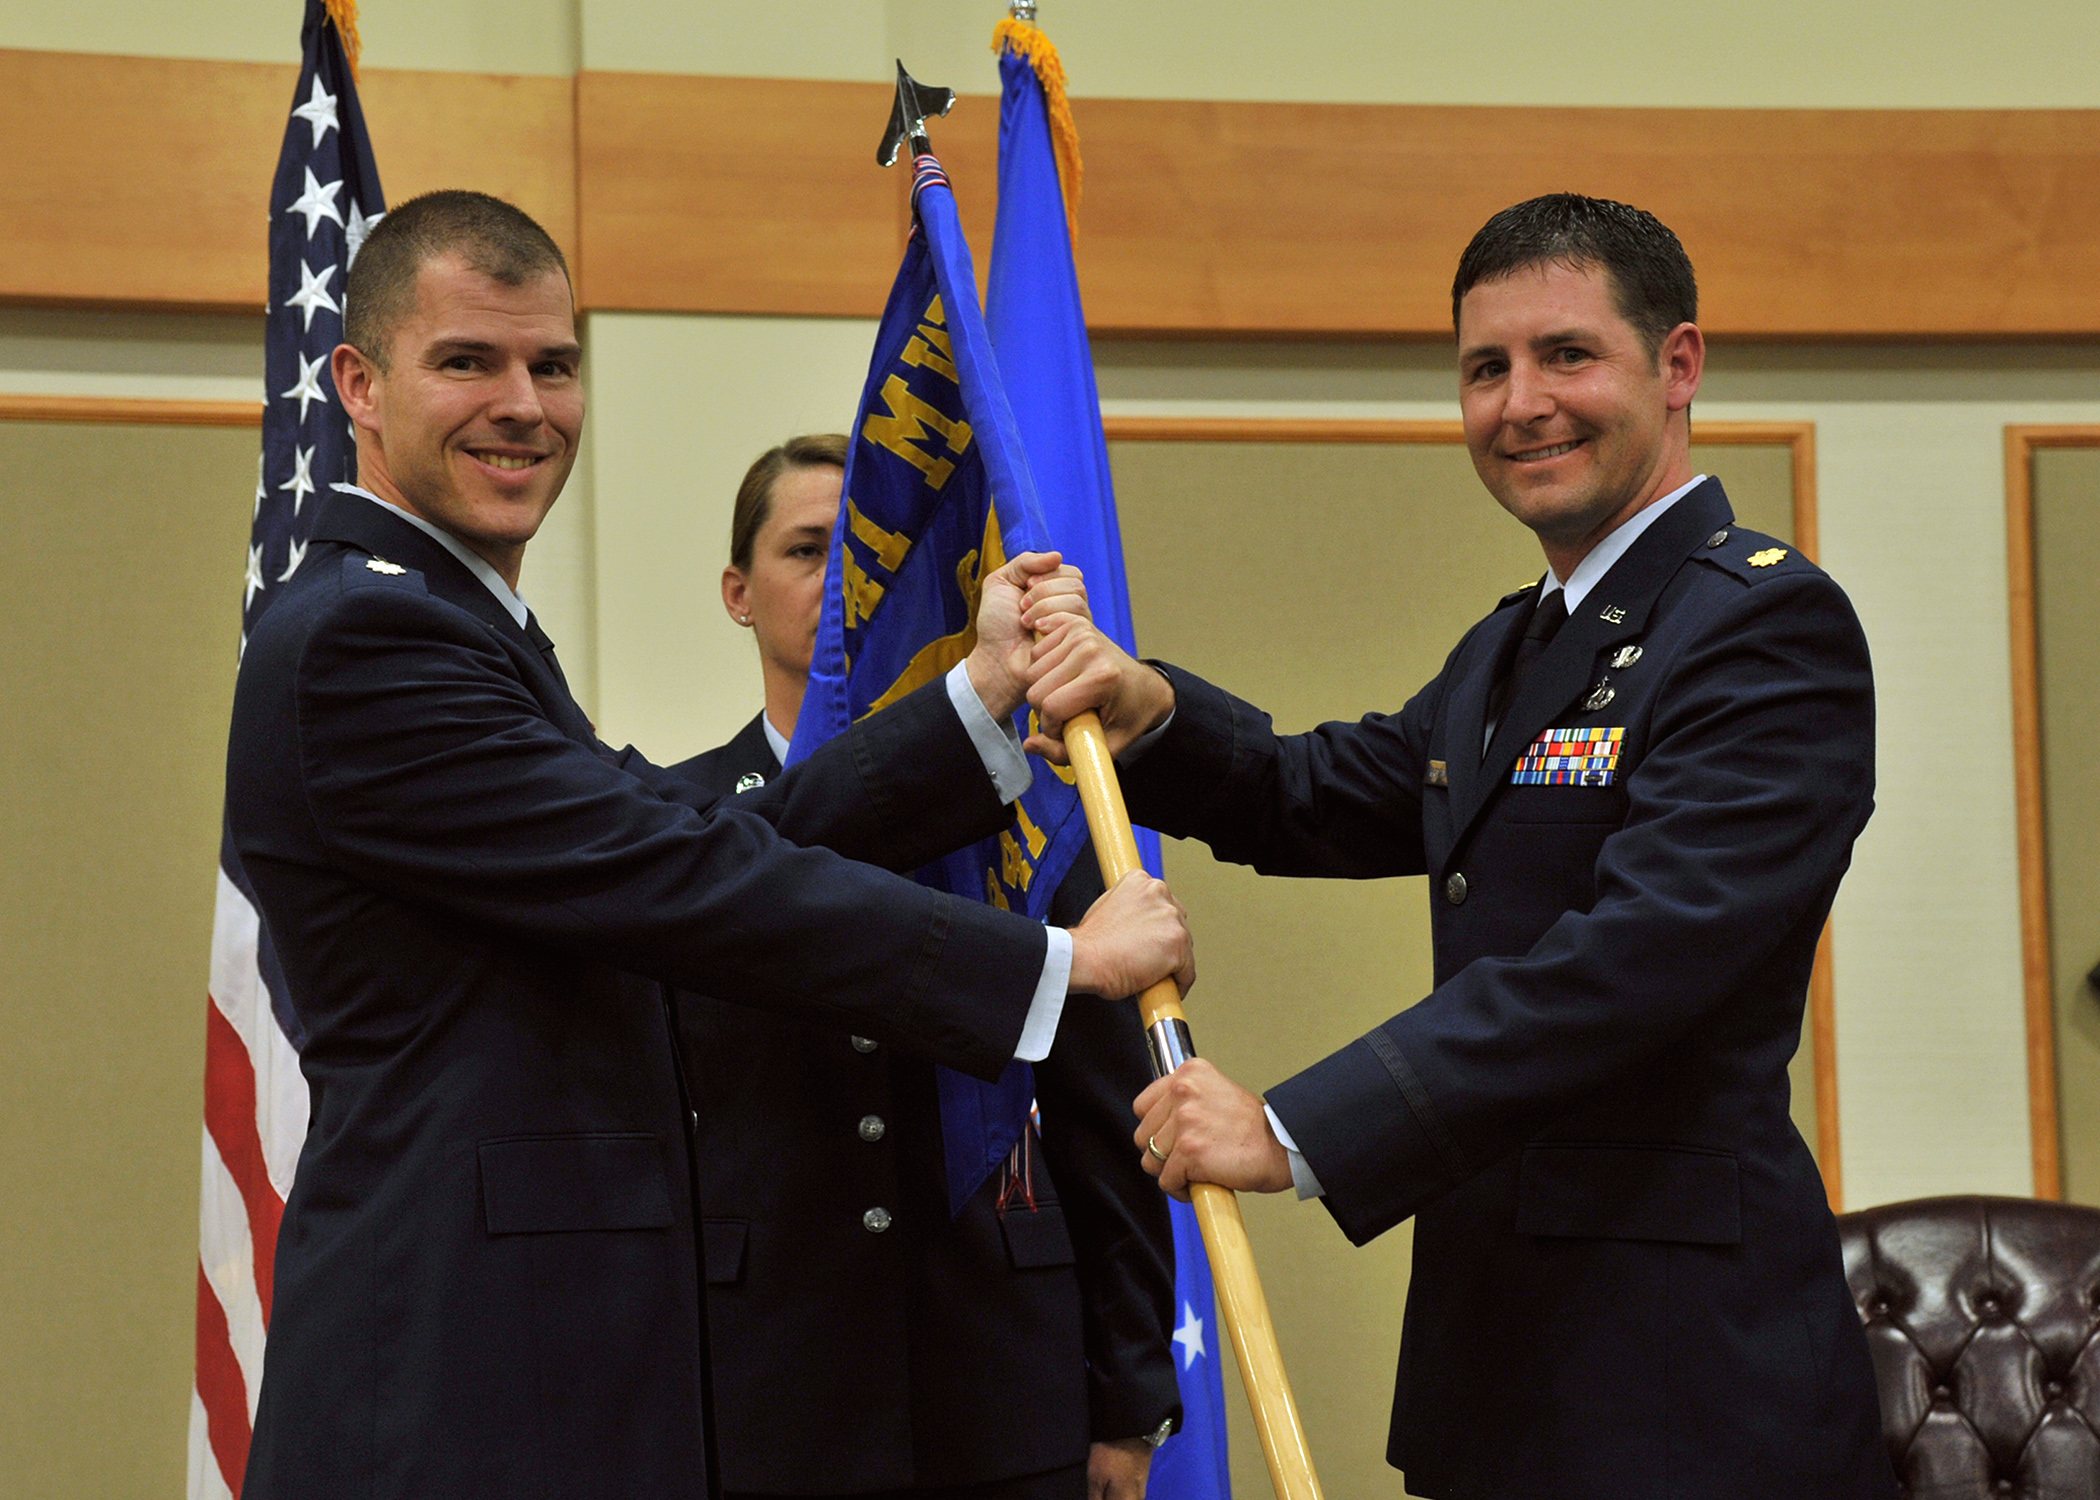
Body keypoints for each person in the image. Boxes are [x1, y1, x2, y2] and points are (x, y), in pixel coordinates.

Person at [226, 190, 1194, 1500]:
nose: (524, 403)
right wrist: (1051, 962)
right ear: (359, 383)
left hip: (548, 1371)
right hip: (460, 1384)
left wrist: (975, 699)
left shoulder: (469, 629)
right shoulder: (367, 640)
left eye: (553, 364)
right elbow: (685, 882)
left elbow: (695, 835)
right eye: (467, 360)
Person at [1025, 195, 1896, 1499]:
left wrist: (1295, 1128)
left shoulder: (1765, 630)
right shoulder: (1515, 645)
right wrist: (1150, 711)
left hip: (1682, 1385)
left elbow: (1631, 961)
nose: (1520, 402)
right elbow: (1318, 791)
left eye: (1566, 355)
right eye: (1485, 368)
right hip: (1502, 1367)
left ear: (1678, 366)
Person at [672, 436, 1182, 1500]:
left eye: (866, 559)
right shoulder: (680, 825)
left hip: (1000, 1380)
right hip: (766, 1380)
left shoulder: (1028, 828)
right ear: (737, 591)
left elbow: (1106, 1116)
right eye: (808, 551)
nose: (840, 587)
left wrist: (1129, 1401)